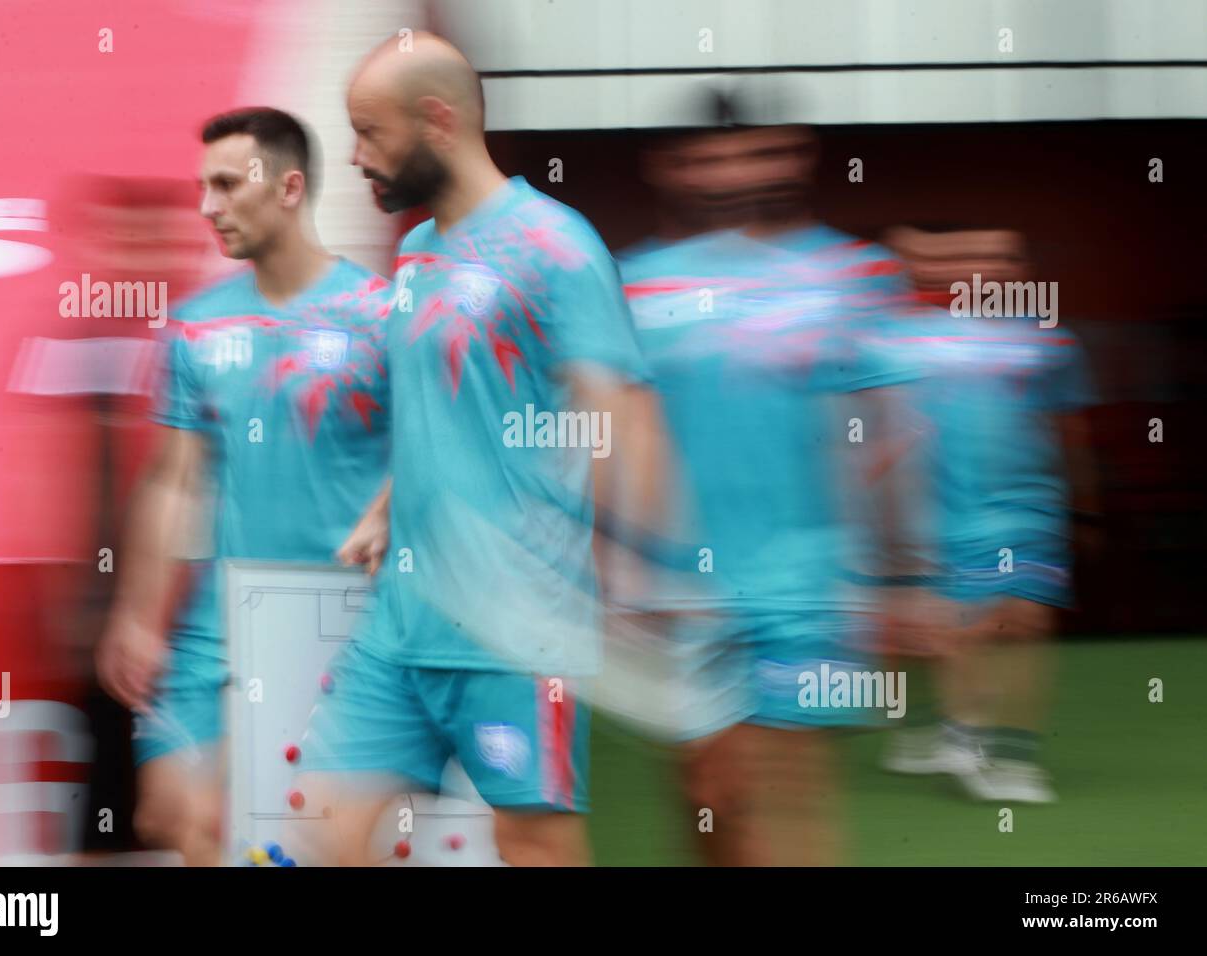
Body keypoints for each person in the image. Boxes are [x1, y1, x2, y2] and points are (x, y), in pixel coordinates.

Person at [292, 32, 665, 867]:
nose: (356, 156)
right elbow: (443, 410)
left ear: (437, 120)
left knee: (534, 845)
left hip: (516, 626)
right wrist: (387, 508)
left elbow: (621, 417)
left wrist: (633, 575)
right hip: (401, 621)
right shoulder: (417, 255)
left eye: (370, 131)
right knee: (321, 828)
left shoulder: (558, 248)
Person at [618, 80, 918, 865]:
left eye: (752, 154)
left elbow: (885, 431)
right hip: (684, 588)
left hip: (808, 583)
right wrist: (616, 566)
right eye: (706, 160)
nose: (729, 176)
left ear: (792, 159)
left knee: (788, 788)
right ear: (668, 169)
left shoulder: (848, 275)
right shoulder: (630, 283)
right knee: (711, 796)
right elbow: (610, 436)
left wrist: (894, 574)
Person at [96, 107, 391, 864]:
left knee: (299, 841)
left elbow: (426, 463)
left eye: (227, 186)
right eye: (203, 187)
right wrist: (136, 614)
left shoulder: (380, 316)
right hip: (218, 627)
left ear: (289, 188)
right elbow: (172, 481)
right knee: (176, 819)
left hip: (340, 625)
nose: (207, 208)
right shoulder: (195, 328)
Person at [875, 224, 1099, 803]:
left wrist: (1085, 506)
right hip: (945, 513)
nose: (995, 269)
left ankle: (1009, 755)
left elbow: (1066, 428)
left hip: (1027, 511)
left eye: (1006, 257)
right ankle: (959, 733)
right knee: (962, 631)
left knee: (1025, 621)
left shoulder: (1047, 341)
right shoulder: (901, 339)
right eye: (977, 257)